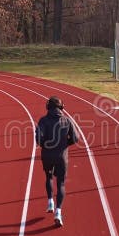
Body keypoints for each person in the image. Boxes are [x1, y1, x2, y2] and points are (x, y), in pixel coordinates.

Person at [35, 96, 79, 227]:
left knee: (48, 177)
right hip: (62, 157)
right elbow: (76, 139)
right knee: (61, 183)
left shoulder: (43, 121)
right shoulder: (67, 120)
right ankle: (58, 212)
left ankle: (50, 202)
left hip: (47, 156)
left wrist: (45, 144)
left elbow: (38, 140)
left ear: (48, 107)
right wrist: (64, 144)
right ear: (61, 107)